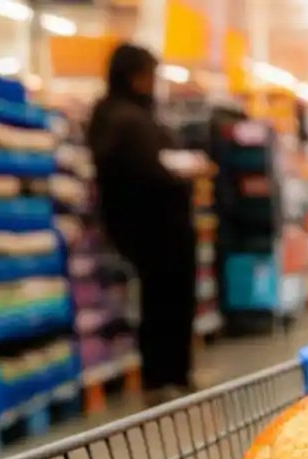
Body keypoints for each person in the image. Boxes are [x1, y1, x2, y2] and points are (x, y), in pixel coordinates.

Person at [88, 43, 197, 401]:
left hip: (140, 226)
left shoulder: (112, 115)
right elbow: (150, 171)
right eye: (148, 74)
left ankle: (169, 375)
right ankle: (165, 377)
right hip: (155, 228)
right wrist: (182, 174)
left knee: (160, 299)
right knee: (165, 300)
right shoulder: (128, 119)